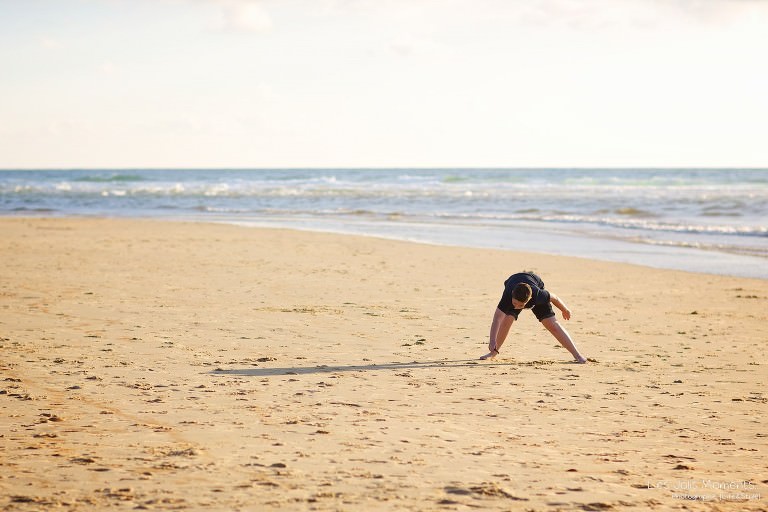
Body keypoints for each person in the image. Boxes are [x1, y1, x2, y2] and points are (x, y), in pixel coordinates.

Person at [480, 271, 587, 363]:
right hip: (513, 281)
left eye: (521, 305)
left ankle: (577, 355)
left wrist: (565, 309)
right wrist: (492, 340)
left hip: (535, 281)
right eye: (515, 303)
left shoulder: (538, 295)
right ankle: (493, 352)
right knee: (507, 319)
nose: (517, 307)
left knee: (552, 324)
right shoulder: (508, 296)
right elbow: (497, 318)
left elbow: (554, 298)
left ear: (529, 299)